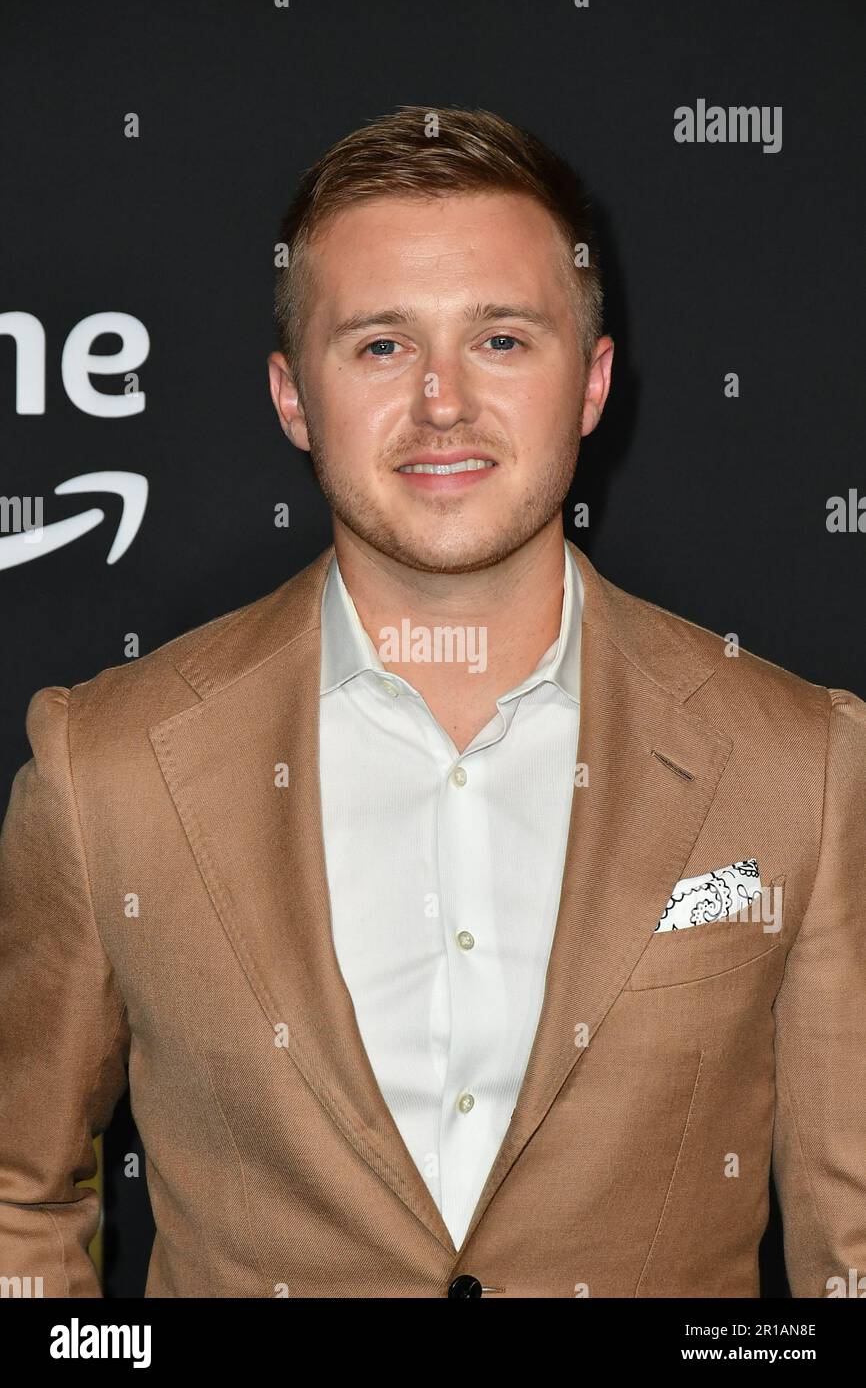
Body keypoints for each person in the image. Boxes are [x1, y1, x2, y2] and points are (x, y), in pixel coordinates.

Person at [1, 106, 864, 1299]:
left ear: (590, 382)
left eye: (500, 339)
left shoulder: (800, 766)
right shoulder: (105, 766)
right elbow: (18, 1195)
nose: (442, 400)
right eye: (379, 346)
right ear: (292, 397)